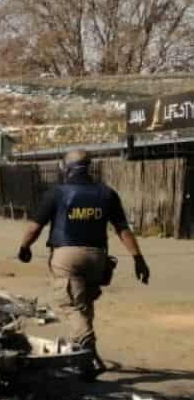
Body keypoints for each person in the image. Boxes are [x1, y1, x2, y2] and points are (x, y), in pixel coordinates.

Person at [16, 149, 150, 377]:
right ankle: (84, 360)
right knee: (84, 305)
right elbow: (122, 229)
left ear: (65, 168)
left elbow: (34, 227)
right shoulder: (107, 193)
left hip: (67, 256)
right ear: (90, 167)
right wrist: (138, 258)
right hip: (97, 257)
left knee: (67, 304)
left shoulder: (57, 193)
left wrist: (24, 248)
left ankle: (87, 351)